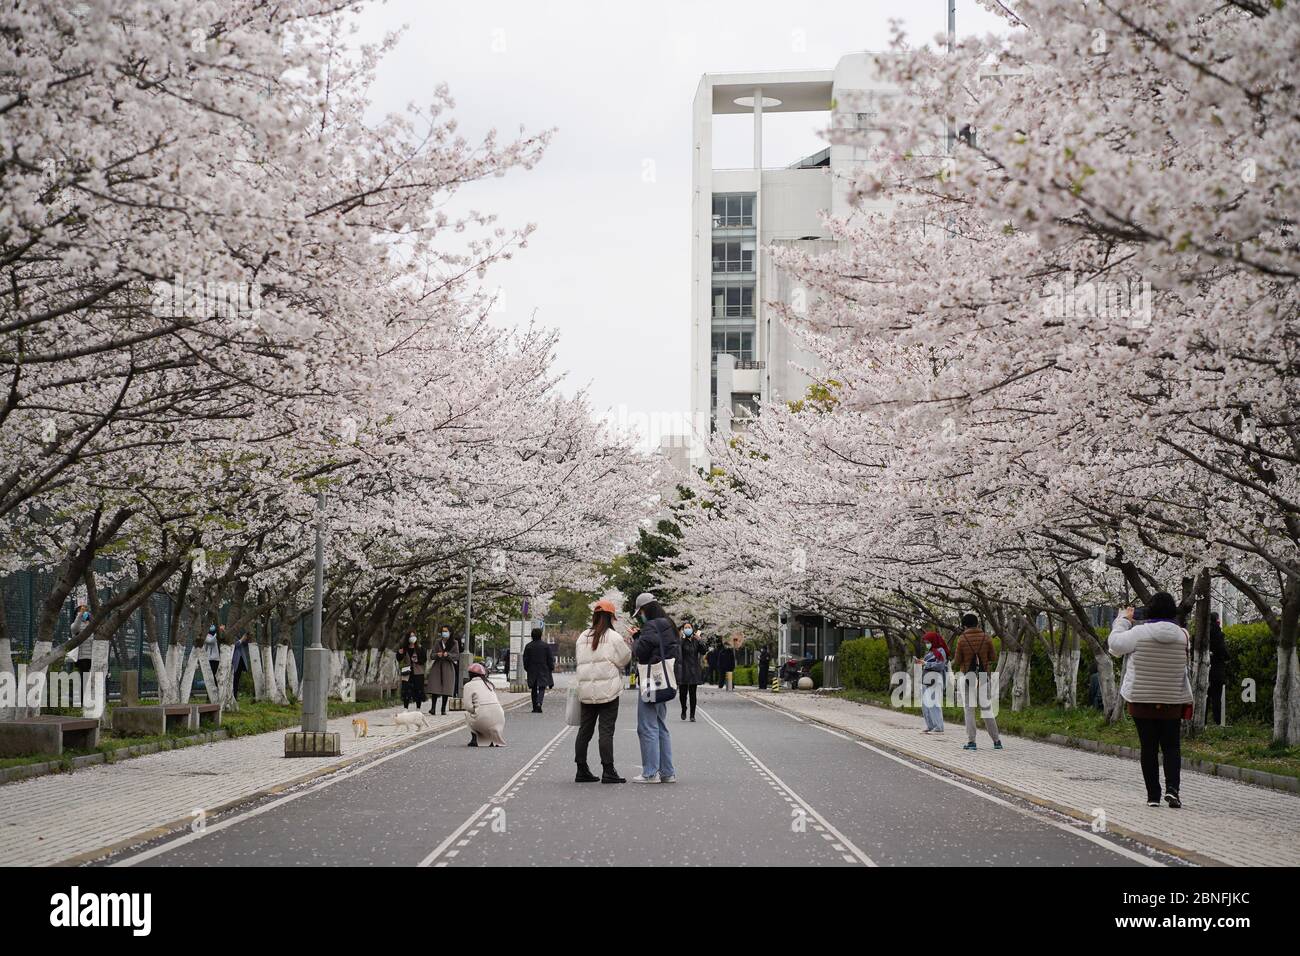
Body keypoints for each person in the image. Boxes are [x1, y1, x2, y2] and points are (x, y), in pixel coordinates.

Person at [1109, 592, 1193, 808]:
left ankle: (1153, 796)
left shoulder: (1139, 632)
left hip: (1141, 699)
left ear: (1149, 611)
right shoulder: (1183, 635)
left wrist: (1123, 620)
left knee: (1149, 747)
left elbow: (1116, 646)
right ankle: (1173, 790)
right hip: (1172, 699)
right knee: (1171, 746)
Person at [574, 600, 632, 783]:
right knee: (606, 732)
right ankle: (608, 770)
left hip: (586, 691)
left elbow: (579, 659)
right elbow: (625, 658)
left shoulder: (582, 637)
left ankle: (581, 769)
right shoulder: (614, 637)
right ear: (611, 617)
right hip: (608, 691)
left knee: (585, 731)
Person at [629, 592, 679, 784]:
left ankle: (650, 772)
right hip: (665, 680)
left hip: (651, 681)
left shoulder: (651, 625)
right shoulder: (669, 624)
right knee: (661, 726)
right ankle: (667, 772)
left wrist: (635, 640)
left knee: (646, 726)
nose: (640, 615)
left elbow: (642, 652)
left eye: (640, 612)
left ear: (645, 609)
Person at [954, 613, 1002, 751]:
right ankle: (996, 741)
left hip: (967, 676)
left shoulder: (962, 639)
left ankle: (972, 742)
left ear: (964, 625)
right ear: (977, 624)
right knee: (987, 710)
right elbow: (993, 657)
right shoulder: (986, 637)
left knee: (969, 710)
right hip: (982, 676)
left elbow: (957, 661)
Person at [461, 662, 506, 747]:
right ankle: (492, 739)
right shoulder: (489, 684)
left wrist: (476, 710)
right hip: (500, 717)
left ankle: (475, 738)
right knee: (488, 718)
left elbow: (468, 706)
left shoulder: (468, 685)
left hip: (482, 719)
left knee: (467, 714)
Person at [917, 630, 948, 734]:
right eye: (925, 643)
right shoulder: (931, 651)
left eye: (928, 642)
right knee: (925, 705)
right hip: (926, 679)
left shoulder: (940, 651)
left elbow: (940, 665)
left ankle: (938, 727)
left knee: (934, 703)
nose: (927, 644)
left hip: (935, 679)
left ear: (933, 641)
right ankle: (930, 726)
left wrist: (926, 663)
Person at [522, 627, 555, 713]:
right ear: (540, 635)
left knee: (533, 688)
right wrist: (551, 667)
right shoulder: (545, 646)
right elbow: (550, 658)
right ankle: (539, 703)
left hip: (532, 669)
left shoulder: (528, 646)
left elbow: (525, 659)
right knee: (542, 687)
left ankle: (534, 707)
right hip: (543, 669)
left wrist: (527, 668)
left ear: (532, 636)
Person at [676, 621, 704, 721]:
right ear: (683, 630)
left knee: (693, 694)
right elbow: (677, 651)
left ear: (692, 629)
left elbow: (703, 651)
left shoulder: (696, 641)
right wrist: (682, 639)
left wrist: (700, 640)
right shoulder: (680, 641)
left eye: (689, 627)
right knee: (682, 694)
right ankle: (684, 709)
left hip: (694, 670)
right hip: (683, 670)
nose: (687, 629)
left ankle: (692, 715)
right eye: (685, 627)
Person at [427, 626, 459, 715]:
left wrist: (448, 655)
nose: (444, 633)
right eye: (443, 631)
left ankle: (443, 709)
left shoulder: (454, 643)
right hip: (437, 666)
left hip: (448, 666)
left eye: (446, 631)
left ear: (450, 632)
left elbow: (456, 655)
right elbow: (432, 655)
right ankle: (433, 708)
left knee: (446, 687)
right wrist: (437, 654)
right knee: (435, 686)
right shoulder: (438, 642)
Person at [1207, 611, 1230, 726]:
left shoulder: (1202, 633)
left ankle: (1203, 721)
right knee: (1216, 697)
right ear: (1217, 621)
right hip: (1217, 669)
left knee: (1205, 696)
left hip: (1204, 669)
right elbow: (1223, 651)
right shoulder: (1218, 634)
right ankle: (1217, 721)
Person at [396, 632, 427, 710]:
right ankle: (405, 708)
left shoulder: (420, 648)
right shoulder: (404, 648)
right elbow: (399, 659)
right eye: (410, 636)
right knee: (406, 690)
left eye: (414, 636)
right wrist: (399, 653)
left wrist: (417, 660)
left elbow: (424, 659)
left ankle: (418, 708)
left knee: (418, 690)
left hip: (418, 672)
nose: (412, 638)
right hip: (407, 672)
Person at [230, 630, 252, 699]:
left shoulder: (238, 634)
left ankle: (235, 696)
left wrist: (247, 638)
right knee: (233, 680)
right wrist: (241, 639)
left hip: (240, 662)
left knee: (236, 680)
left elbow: (244, 645)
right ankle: (233, 696)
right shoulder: (230, 635)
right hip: (234, 661)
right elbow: (235, 645)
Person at [202, 624, 221, 692]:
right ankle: (210, 696)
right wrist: (218, 632)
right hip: (211, 659)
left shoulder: (218, 635)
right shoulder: (206, 635)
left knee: (218, 678)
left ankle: (218, 693)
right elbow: (210, 641)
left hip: (219, 659)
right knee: (211, 678)